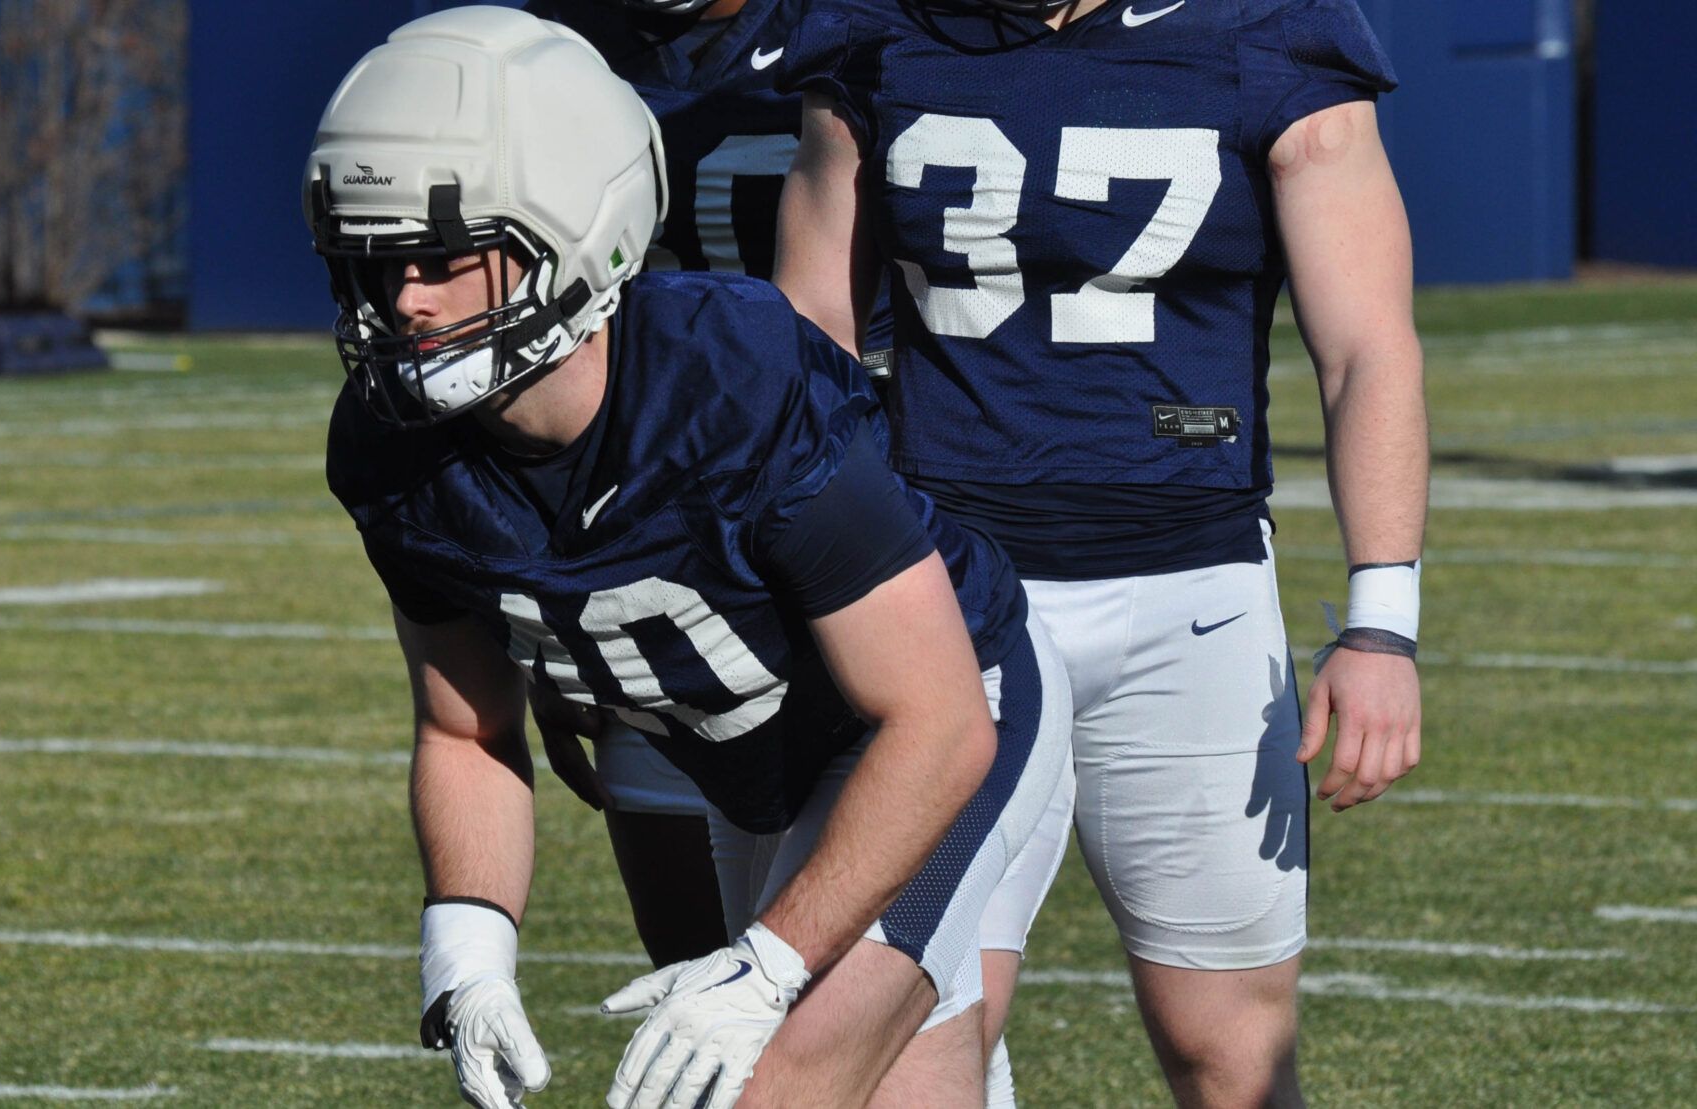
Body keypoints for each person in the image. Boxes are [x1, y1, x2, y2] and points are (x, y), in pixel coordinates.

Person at [309, 8, 1072, 1107]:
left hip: (942, 717)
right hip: (753, 760)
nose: (404, 301)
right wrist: (468, 957)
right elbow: (464, 728)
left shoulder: (725, 376)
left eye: (438, 256)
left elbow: (938, 720)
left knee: (778, 1079)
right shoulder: (393, 447)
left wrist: (769, 967)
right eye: (371, 262)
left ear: (573, 230)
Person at [771, 0, 1429, 1105]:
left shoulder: (1267, 28)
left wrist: (1381, 625)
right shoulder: (876, 27)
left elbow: (1367, 346)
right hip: (946, 602)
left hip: (1190, 597)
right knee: (910, 1036)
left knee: (1230, 1051)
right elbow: (810, 336)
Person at [516, 0, 900, 970]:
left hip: (852, 519)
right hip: (649, 545)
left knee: (883, 979)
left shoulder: (862, 25)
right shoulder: (555, 43)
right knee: (694, 977)